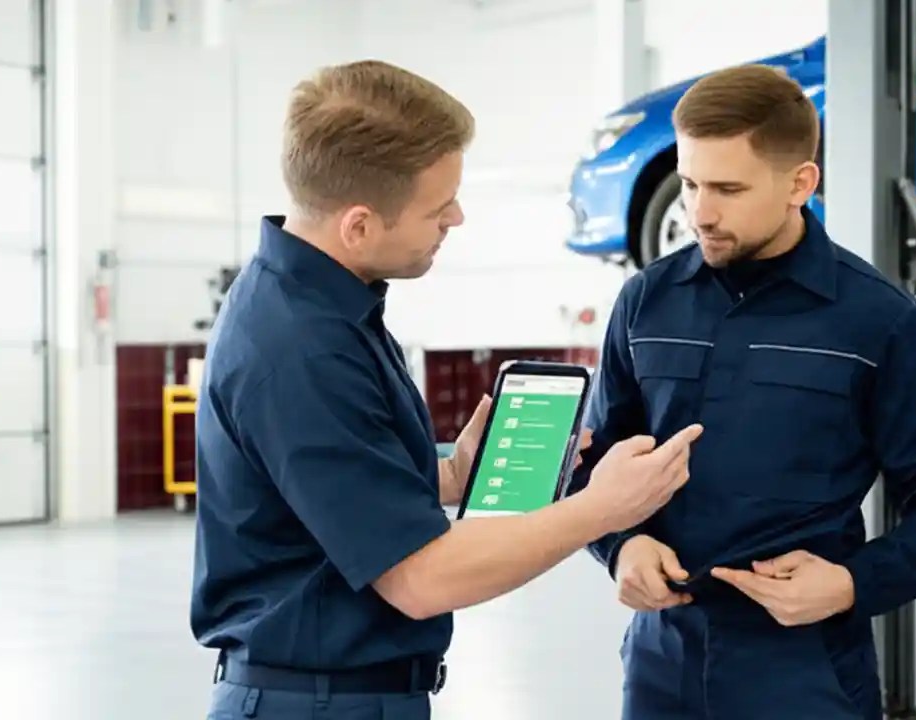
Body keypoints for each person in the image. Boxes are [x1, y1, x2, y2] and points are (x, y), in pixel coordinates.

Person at [189, 59, 704, 720]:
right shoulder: (298, 349)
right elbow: (422, 579)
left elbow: (321, 494)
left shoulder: (323, 305)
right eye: (438, 207)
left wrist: (450, 475)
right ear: (359, 225)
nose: (456, 218)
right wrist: (602, 508)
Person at [567, 65, 916, 719]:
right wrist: (618, 546)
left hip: (804, 669)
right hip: (659, 664)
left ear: (801, 183)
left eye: (728, 189)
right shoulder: (644, 302)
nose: (699, 213)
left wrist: (852, 583)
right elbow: (592, 463)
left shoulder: (880, 322)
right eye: (689, 183)